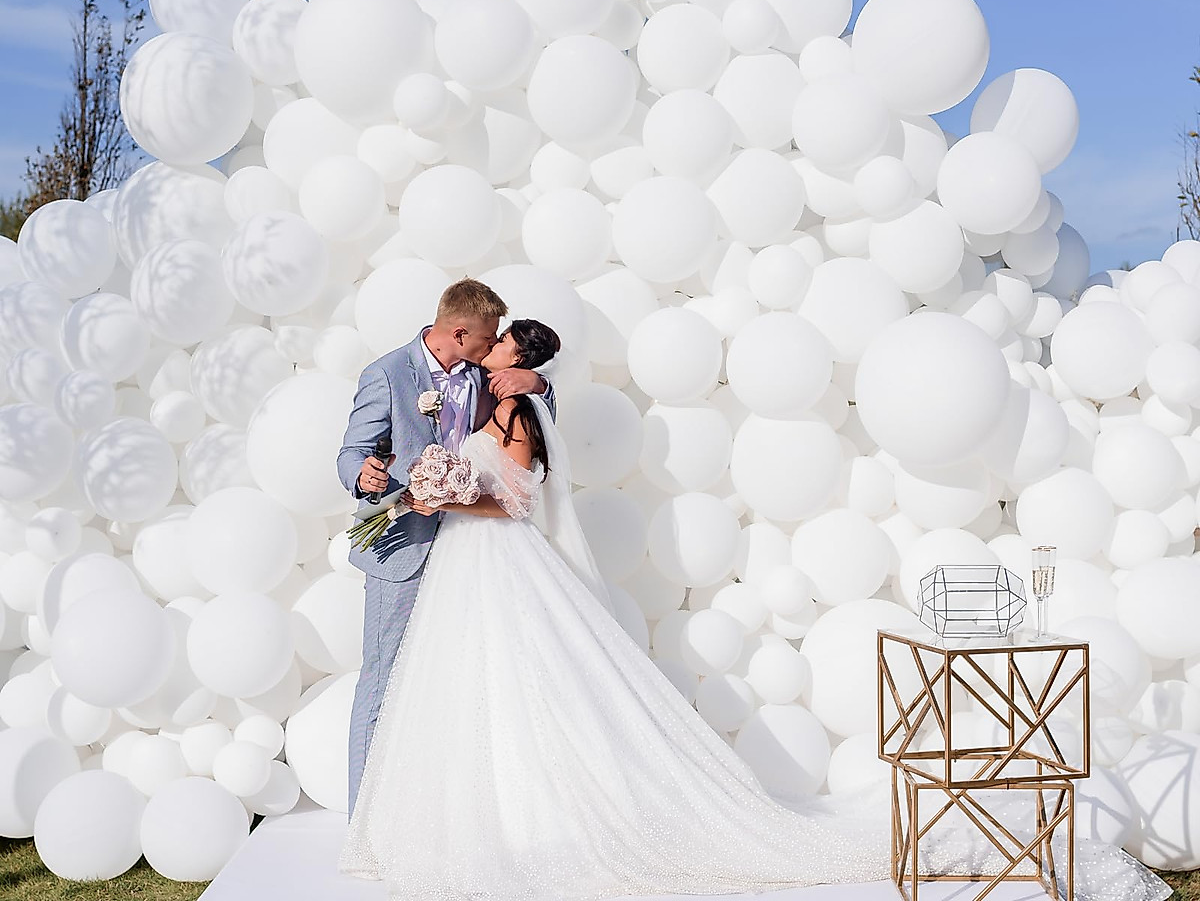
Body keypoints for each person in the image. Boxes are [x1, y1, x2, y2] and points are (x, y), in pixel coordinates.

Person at [340, 319, 1170, 901]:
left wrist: (452, 496)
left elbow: (519, 494)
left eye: (499, 348)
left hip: (494, 551)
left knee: (528, 682)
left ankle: (528, 817)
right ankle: (455, 813)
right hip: (457, 563)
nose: (485, 354)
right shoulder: (459, 387)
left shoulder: (520, 403)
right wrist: (427, 486)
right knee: (463, 683)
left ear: (516, 360)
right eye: (485, 346)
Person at [335, 279, 553, 815]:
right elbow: (352, 452)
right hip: (403, 546)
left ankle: (440, 809)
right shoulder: (387, 374)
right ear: (459, 333)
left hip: (470, 549)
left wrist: (538, 381)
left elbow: (536, 412)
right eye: (488, 338)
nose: (494, 344)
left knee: (459, 678)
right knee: (384, 679)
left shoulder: (484, 372)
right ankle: (364, 818)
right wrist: (364, 477)